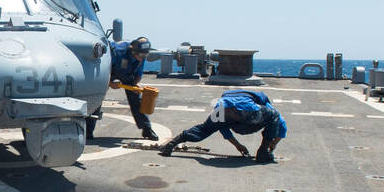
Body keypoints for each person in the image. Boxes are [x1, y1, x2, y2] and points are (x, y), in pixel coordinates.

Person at [158, 89, 287, 162]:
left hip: (222, 108)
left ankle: (171, 144)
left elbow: (222, 126)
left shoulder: (229, 97)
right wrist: (273, 144)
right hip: (243, 113)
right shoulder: (262, 99)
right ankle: (263, 153)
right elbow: (281, 122)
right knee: (273, 115)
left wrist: (237, 145)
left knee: (203, 129)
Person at [109, 36, 158, 141]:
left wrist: (135, 84)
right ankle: (89, 130)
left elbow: (138, 75)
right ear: (133, 51)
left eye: (146, 54)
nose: (143, 57)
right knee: (97, 97)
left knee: (136, 99)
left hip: (127, 74)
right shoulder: (116, 51)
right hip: (109, 72)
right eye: (141, 55)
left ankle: (147, 129)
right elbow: (103, 67)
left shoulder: (141, 56)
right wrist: (109, 82)